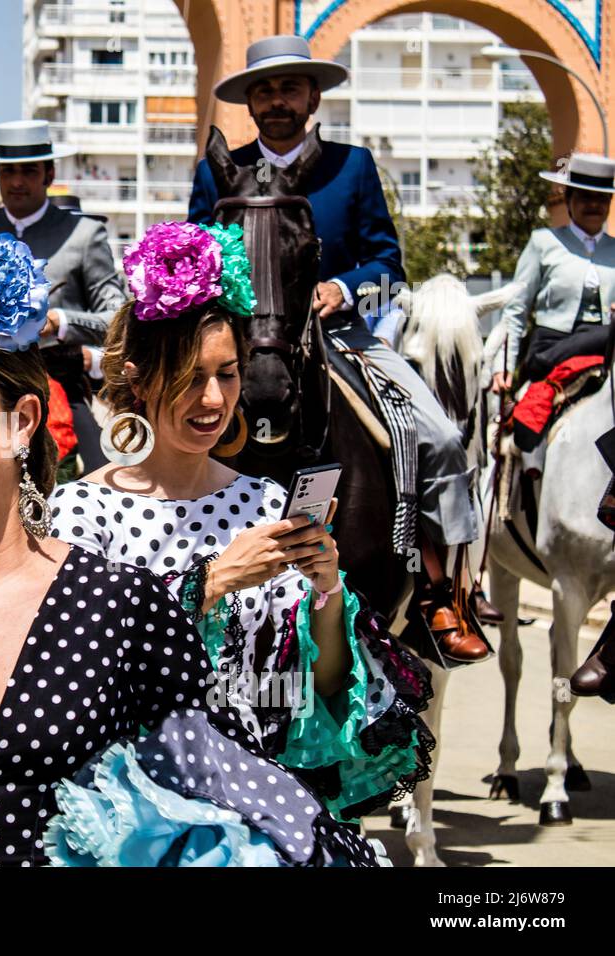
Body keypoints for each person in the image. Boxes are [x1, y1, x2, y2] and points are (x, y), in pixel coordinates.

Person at [0, 226, 381, 866]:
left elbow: (218, 771)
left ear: (23, 420)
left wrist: (327, 590)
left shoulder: (126, 599)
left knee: (421, 432)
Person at [48, 220, 433, 821]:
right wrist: (214, 580)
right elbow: (81, 676)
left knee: (430, 432)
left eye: (227, 373)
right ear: (138, 379)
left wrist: (329, 590)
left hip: (267, 807)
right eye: (188, 375)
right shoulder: (80, 512)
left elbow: (326, 687)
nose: (212, 399)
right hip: (138, 817)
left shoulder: (266, 502)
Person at [188, 35, 489, 663]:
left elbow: (388, 264)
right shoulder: (217, 172)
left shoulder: (352, 166)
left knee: (436, 435)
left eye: (288, 88)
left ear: (312, 96)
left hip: (338, 335)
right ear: (249, 101)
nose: (276, 100)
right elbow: (193, 259)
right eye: (263, 90)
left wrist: (342, 288)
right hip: (241, 343)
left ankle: (441, 591)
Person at [0, 120, 127, 473]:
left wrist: (60, 322)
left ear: (49, 174)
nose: (18, 182)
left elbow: (118, 318)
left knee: (103, 472)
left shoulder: (85, 234)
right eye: (8, 172)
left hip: (60, 381)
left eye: (29, 171)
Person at [495, 154, 615, 457]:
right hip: (552, 346)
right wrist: (505, 365)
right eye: (586, 197)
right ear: (569, 199)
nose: (594, 206)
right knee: (525, 434)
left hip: (606, 347)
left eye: (602, 199)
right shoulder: (542, 242)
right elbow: (516, 308)